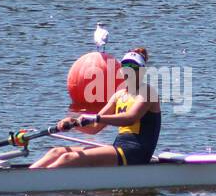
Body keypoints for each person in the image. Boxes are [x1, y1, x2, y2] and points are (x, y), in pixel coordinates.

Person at [31, 49, 161, 168]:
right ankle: (27, 177)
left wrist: (96, 117)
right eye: (125, 66)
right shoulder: (119, 95)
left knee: (68, 158)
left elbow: (130, 118)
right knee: (56, 152)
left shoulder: (148, 92)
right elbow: (94, 128)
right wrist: (73, 122)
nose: (129, 70)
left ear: (143, 71)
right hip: (120, 148)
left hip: (136, 153)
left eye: (134, 67)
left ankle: (35, 183)